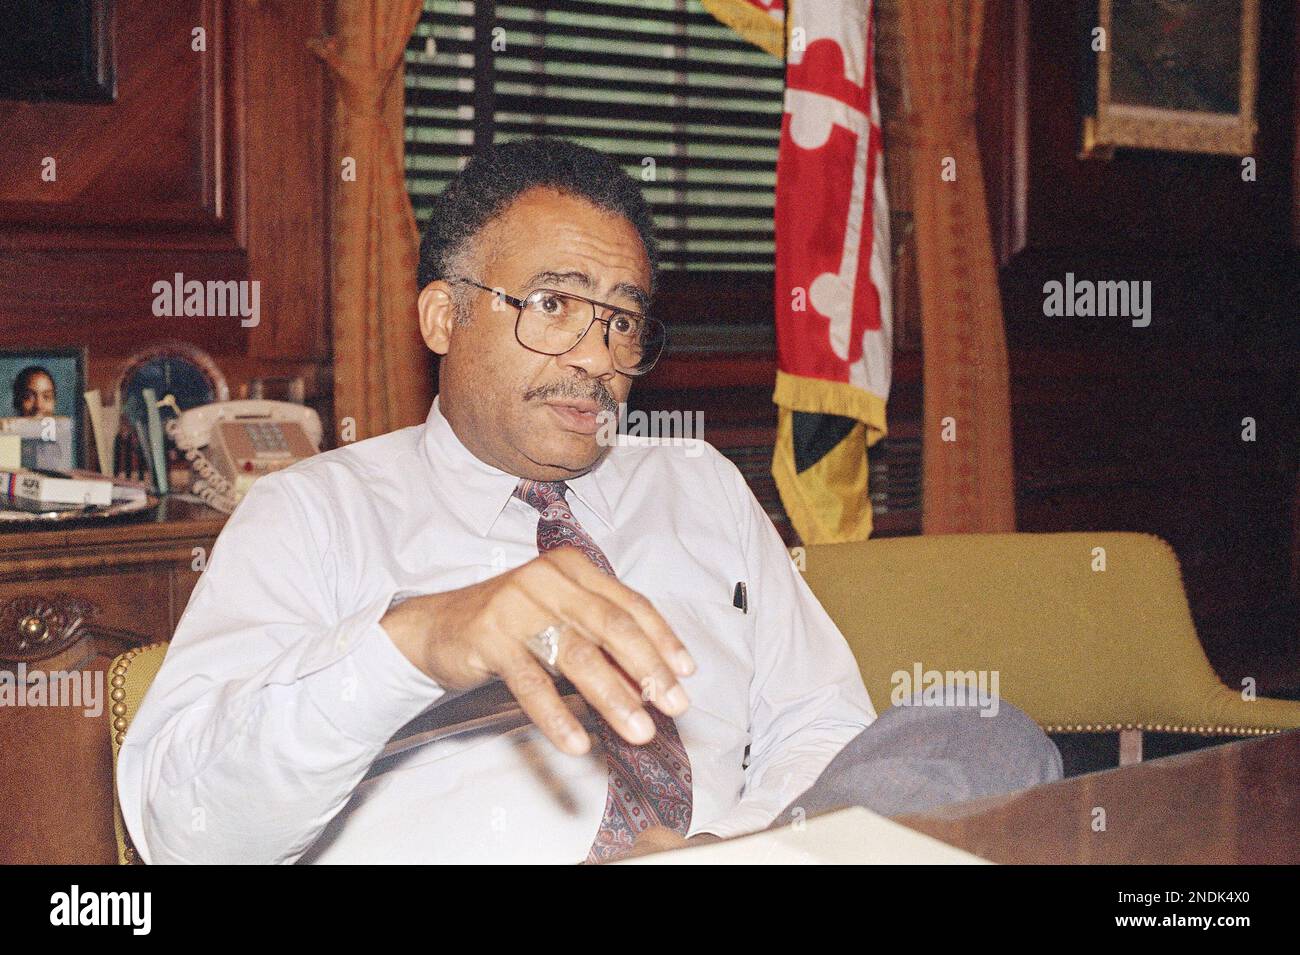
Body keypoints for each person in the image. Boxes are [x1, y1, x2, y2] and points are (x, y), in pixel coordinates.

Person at [117, 138, 1060, 865]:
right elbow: (182, 830)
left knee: (980, 736)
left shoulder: (695, 485)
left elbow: (816, 722)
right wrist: (413, 643)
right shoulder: (312, 513)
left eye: (621, 318)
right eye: (555, 306)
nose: (598, 358)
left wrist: (738, 848)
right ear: (443, 315)